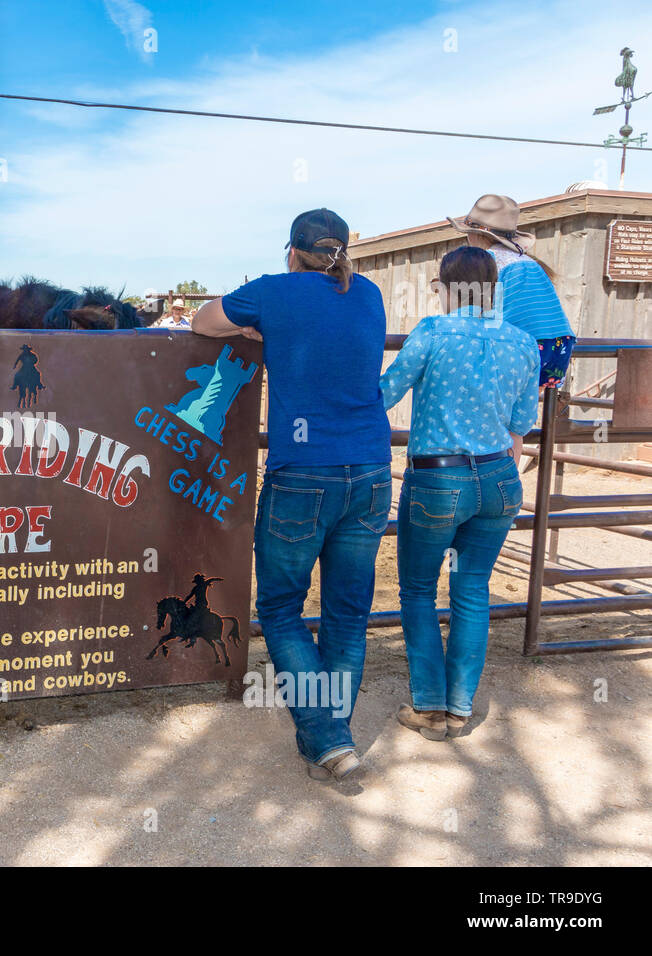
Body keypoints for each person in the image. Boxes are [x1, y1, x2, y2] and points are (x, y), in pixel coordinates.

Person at [192, 208, 392, 782]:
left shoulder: (273, 292)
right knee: (348, 613)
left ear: (292, 251)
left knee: (280, 607)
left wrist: (252, 326)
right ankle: (333, 733)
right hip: (371, 468)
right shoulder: (370, 293)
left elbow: (205, 322)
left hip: (302, 472)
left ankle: (327, 735)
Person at [380, 246, 538, 741]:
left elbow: (385, 392)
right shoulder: (523, 342)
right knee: (471, 590)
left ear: (447, 288)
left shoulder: (432, 331)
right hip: (498, 478)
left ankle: (428, 705)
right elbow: (522, 423)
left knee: (419, 590)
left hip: (438, 478)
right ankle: (459, 707)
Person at [448, 194, 574, 387]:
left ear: (475, 234)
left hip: (518, 348)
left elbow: (472, 314)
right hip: (558, 350)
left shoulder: (484, 261)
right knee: (519, 407)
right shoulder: (528, 261)